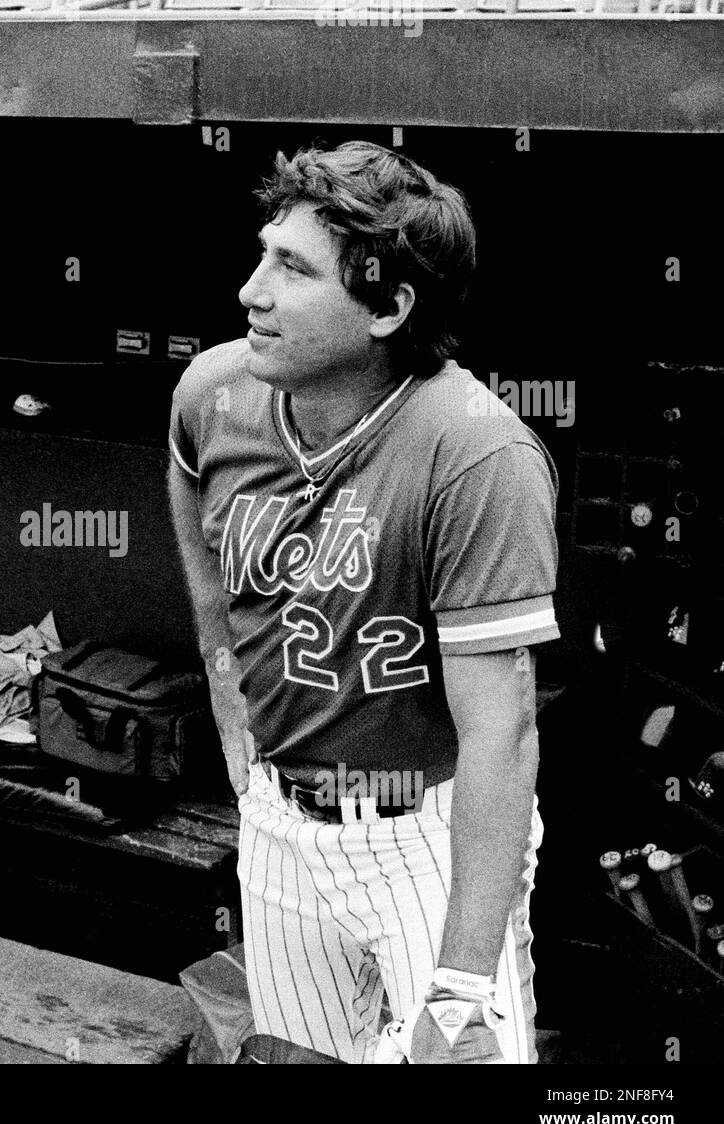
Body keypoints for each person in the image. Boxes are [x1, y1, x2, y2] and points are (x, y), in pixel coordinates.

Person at [168, 141, 558, 1064]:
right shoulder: (216, 392)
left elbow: (503, 732)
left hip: (427, 833)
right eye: (263, 254)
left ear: (388, 305)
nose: (250, 291)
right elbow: (189, 491)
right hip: (278, 818)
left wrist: (461, 984)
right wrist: (226, 683)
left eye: (291, 269)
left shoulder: (477, 456)